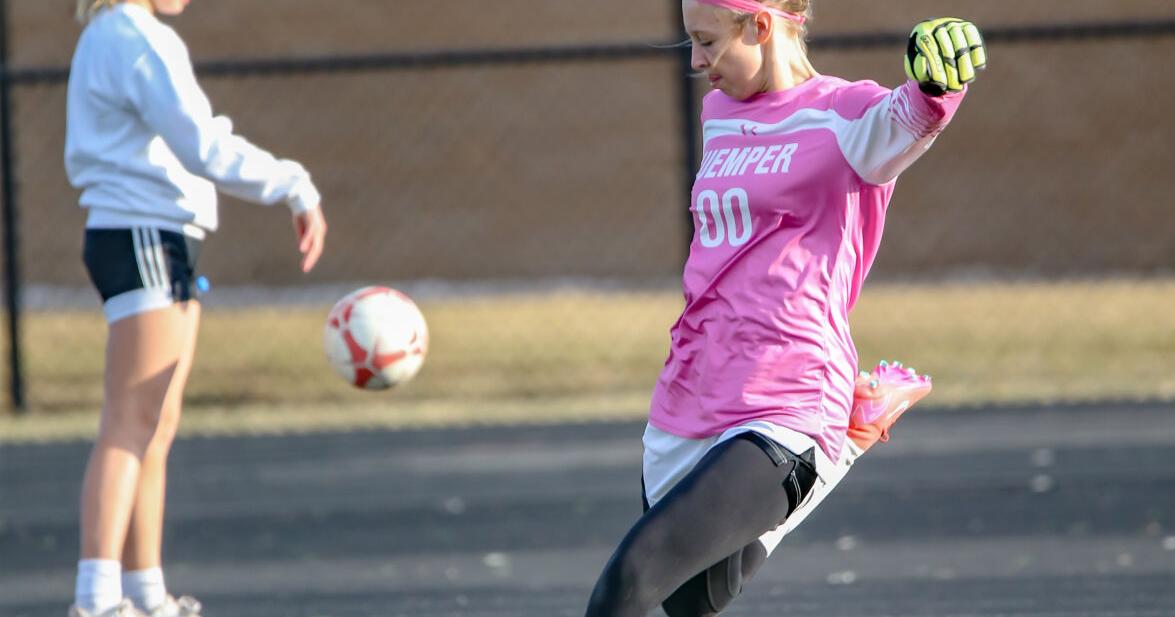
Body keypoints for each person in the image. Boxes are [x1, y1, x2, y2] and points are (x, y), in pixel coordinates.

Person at [583, 1, 985, 615]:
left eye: (706, 41)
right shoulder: (718, 111)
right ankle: (852, 434)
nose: (695, 60)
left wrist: (939, 80)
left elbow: (914, 113)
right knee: (690, 600)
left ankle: (830, 435)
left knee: (628, 584)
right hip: (689, 389)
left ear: (760, 28)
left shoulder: (845, 113)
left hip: (787, 394)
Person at [65, 1, 328, 615]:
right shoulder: (134, 37)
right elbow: (202, 144)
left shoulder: (122, 35)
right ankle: (97, 600)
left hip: (161, 238)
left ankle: (146, 595)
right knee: (130, 423)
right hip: (141, 235)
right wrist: (294, 184)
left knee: (154, 426)